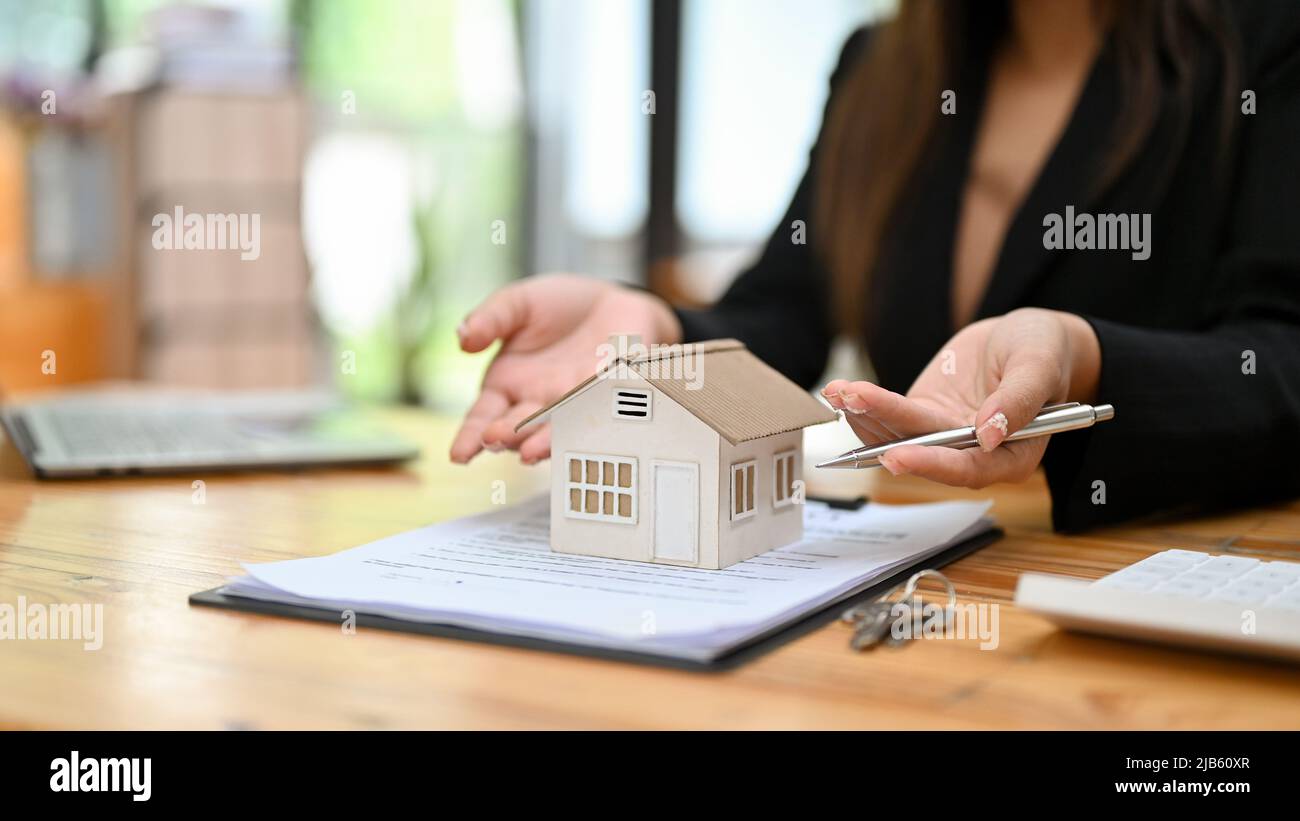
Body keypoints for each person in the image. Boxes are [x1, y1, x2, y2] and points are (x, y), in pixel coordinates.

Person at [451, 0, 1300, 531]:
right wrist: (660, 330)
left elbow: (1283, 356)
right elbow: (782, 316)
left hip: (1152, 597)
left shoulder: (1263, 42)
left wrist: (1081, 356)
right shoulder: (880, 70)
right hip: (916, 589)